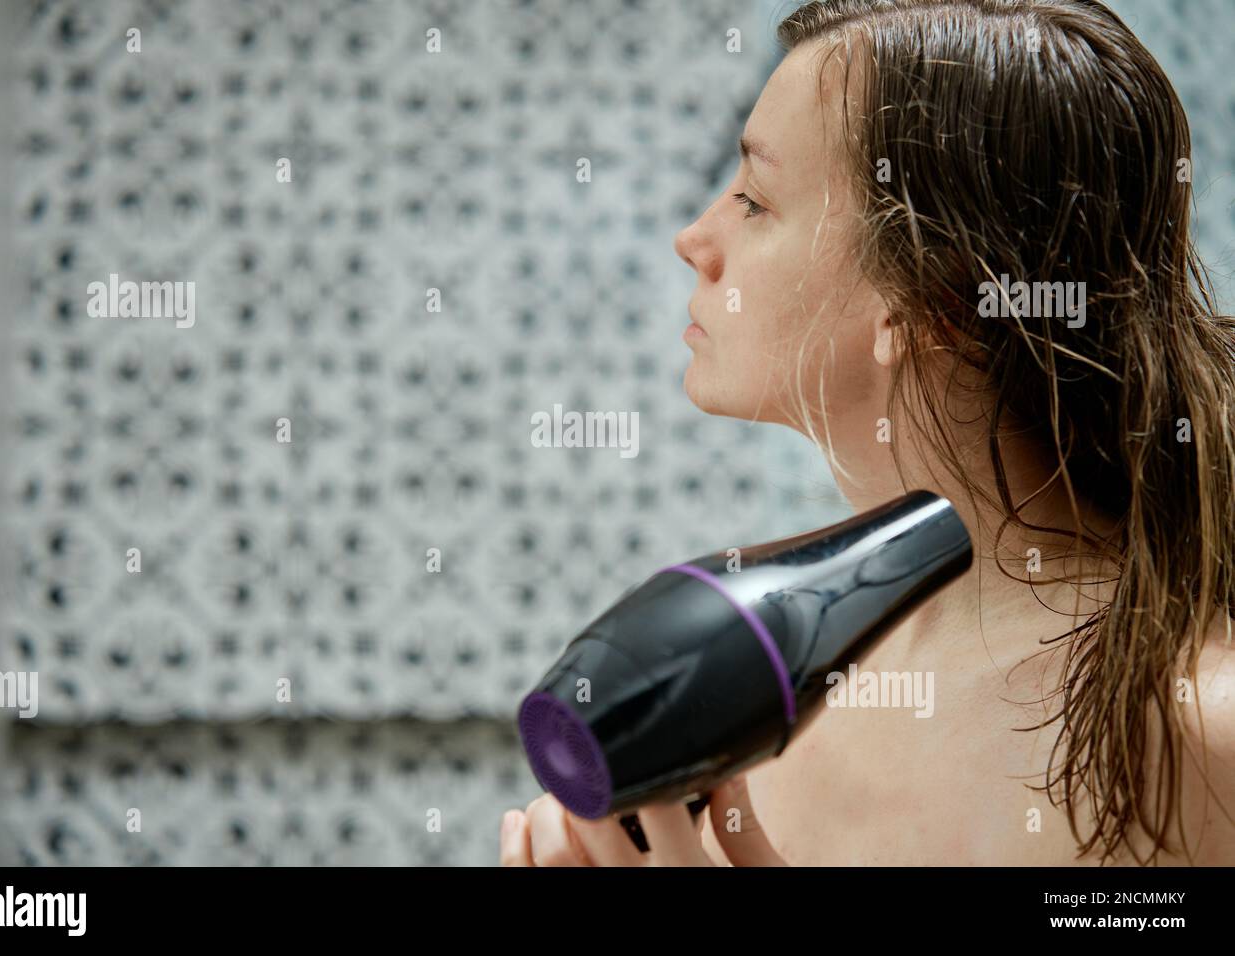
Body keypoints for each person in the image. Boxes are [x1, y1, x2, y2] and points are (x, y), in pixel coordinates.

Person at [500, 0, 1235, 866]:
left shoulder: (1190, 732)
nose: (694, 239)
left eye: (755, 198)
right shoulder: (762, 702)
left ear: (932, 297)